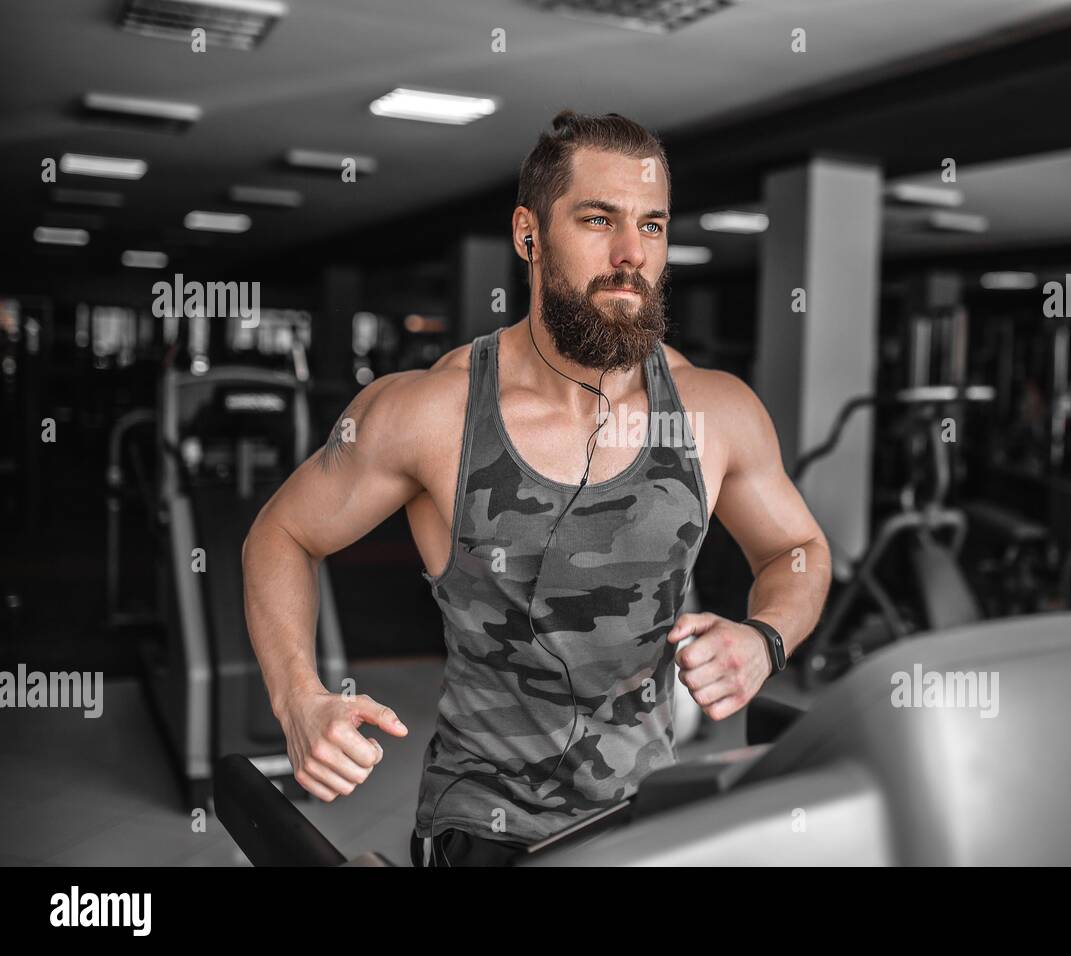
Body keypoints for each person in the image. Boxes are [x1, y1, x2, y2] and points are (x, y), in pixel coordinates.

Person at [242, 110, 831, 867]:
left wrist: (766, 637)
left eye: (652, 227)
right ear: (529, 233)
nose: (631, 255)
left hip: (642, 817)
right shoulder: (431, 413)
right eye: (598, 219)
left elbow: (799, 548)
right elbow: (281, 535)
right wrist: (298, 699)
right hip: (480, 824)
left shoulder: (716, 411)